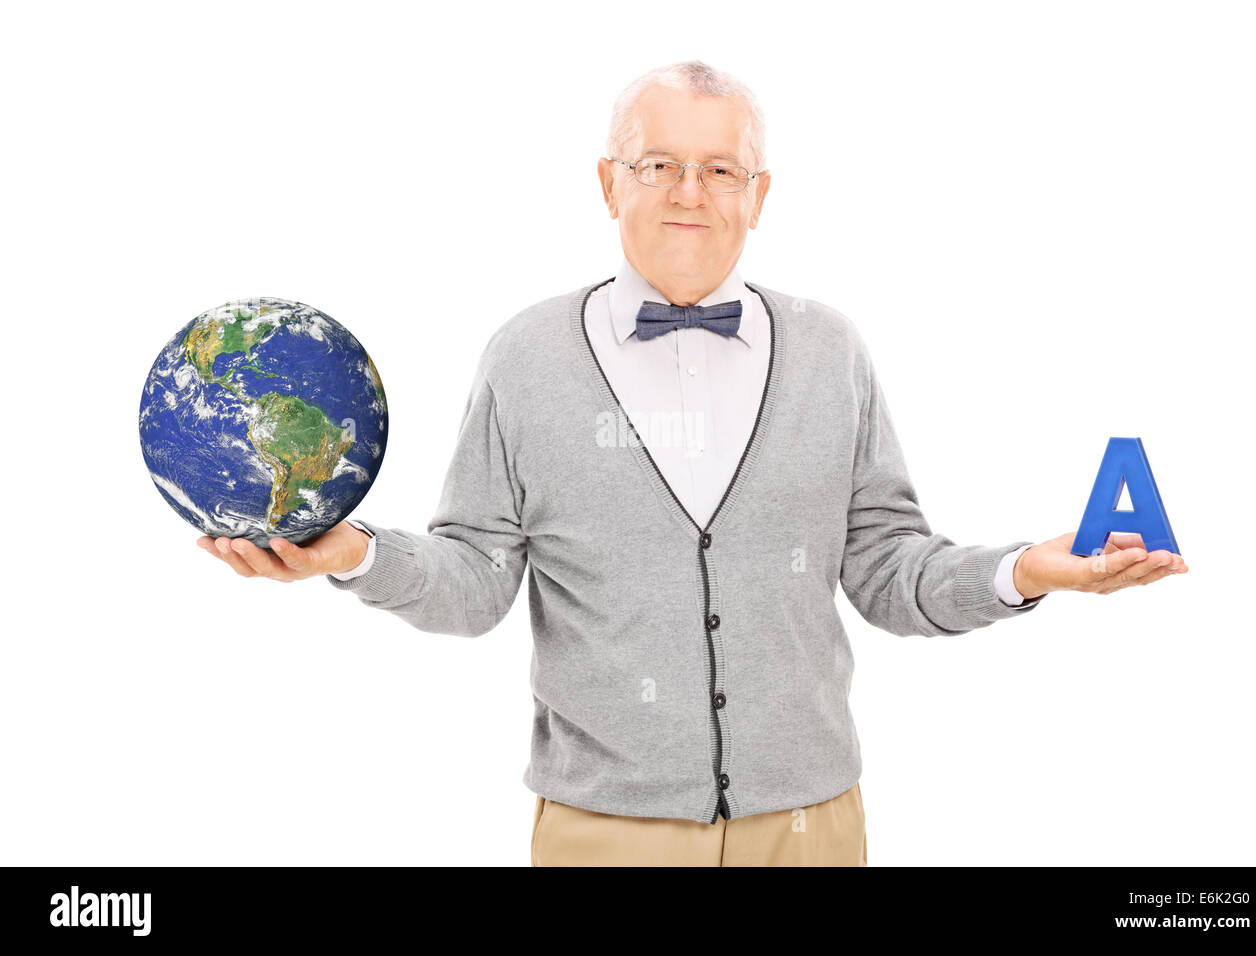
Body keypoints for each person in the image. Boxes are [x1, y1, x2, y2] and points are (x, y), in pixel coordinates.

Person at [198, 60, 1188, 866]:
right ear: (605, 181)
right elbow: (474, 580)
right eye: (657, 163)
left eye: (721, 169)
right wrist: (357, 554)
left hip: (811, 828)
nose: (688, 193)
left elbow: (890, 568)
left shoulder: (831, 350)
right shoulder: (524, 355)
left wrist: (1025, 569)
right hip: (603, 833)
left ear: (758, 195)